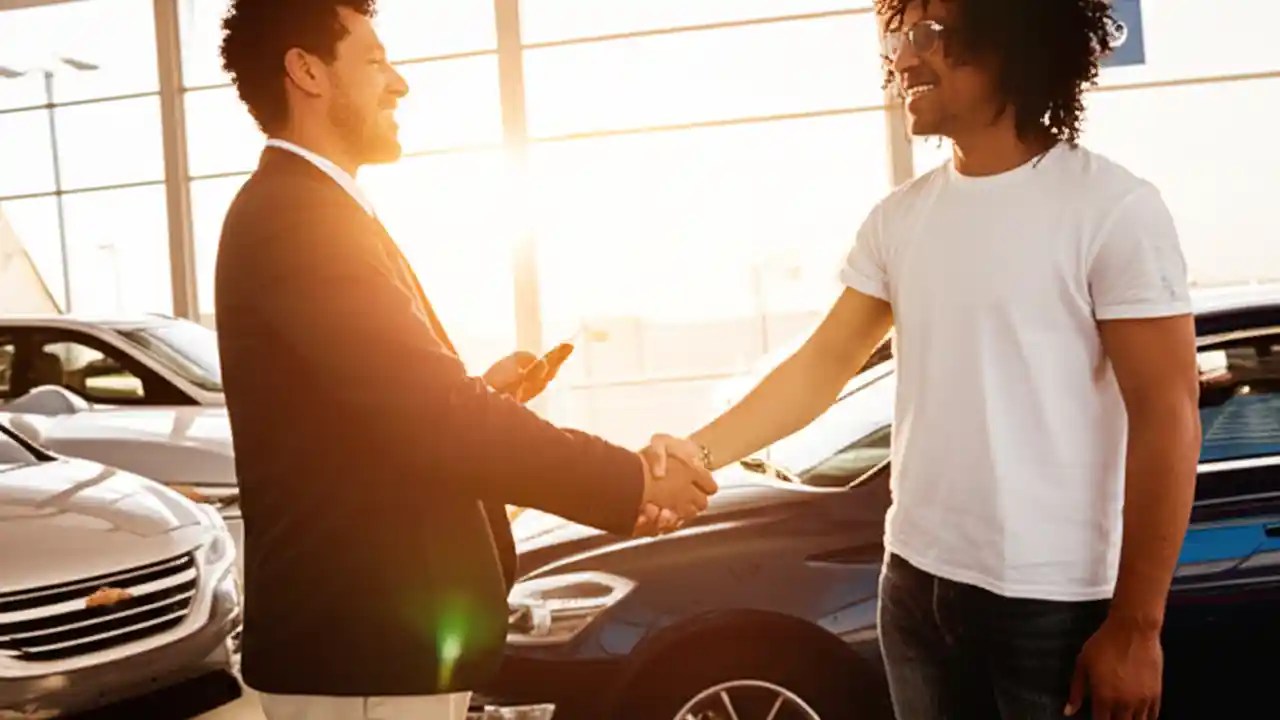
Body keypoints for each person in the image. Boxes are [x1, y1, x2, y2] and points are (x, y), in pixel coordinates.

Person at [647, 0, 1201, 718]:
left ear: (1013, 33)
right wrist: (693, 455)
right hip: (913, 585)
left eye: (929, 35)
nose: (904, 59)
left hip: (1052, 605)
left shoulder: (1113, 208)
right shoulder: (900, 218)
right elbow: (820, 367)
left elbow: (1167, 414)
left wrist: (1137, 625)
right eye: (898, 38)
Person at [214, 2, 715, 718]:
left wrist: (480, 395)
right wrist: (630, 479)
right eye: (375, 61)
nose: (399, 83)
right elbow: (436, 415)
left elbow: (379, 413)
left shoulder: (314, 208)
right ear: (307, 72)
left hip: (375, 642)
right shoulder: (298, 217)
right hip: (361, 648)